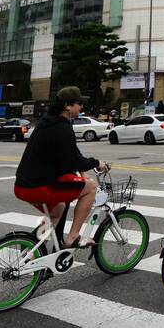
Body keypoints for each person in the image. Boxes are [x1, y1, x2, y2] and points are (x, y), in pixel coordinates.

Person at [14, 87, 108, 249]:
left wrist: (81, 172)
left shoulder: (47, 122)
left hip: (22, 185)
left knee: (58, 208)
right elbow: (74, 160)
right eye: (79, 103)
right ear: (68, 106)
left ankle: (32, 246)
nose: (81, 107)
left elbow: (68, 153)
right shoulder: (62, 128)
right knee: (91, 188)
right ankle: (72, 237)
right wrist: (96, 162)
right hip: (41, 186)